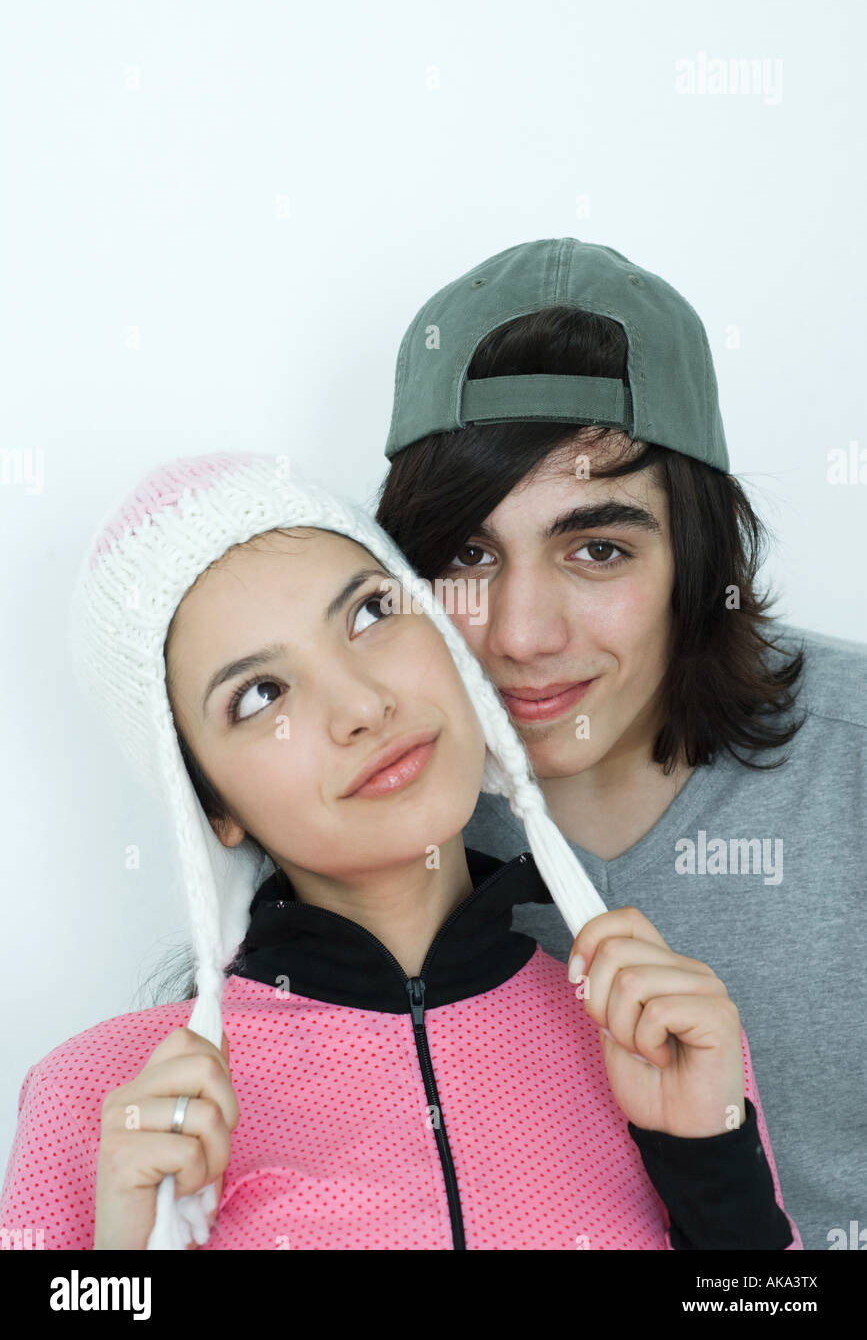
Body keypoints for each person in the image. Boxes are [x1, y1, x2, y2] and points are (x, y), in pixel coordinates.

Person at [0, 452, 799, 1251]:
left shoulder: (649, 1035)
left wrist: (712, 1170)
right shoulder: (103, 1106)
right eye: (260, 695)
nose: (360, 705)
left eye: (370, 615)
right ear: (210, 807)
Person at [375, 236, 867, 1251]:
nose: (522, 633)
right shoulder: (375, 798)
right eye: (468, 552)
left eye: (597, 548)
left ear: (698, 555)